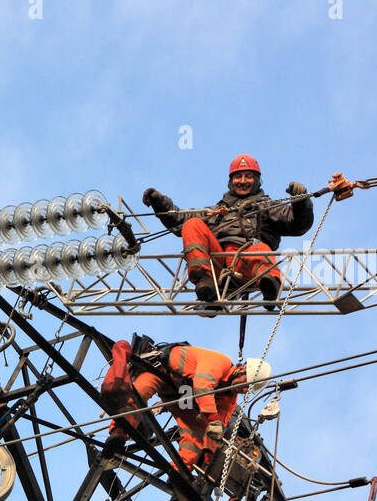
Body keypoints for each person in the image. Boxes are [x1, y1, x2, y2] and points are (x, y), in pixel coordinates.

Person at [142, 155, 312, 313]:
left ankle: (270, 285)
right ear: (231, 181)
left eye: (248, 176)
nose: (243, 181)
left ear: (257, 181)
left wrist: (301, 201)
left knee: (259, 248)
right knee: (192, 224)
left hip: (247, 263)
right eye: (238, 176)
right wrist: (160, 202)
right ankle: (205, 283)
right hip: (218, 265)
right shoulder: (217, 211)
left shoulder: (268, 207)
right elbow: (179, 220)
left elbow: (298, 224)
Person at [99, 336, 270, 471]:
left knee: (196, 431)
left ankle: (179, 472)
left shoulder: (229, 399)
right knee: (138, 397)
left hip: (180, 393)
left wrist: (209, 456)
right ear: (241, 369)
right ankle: (119, 434)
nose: (245, 390)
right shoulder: (221, 362)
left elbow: (216, 431)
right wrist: (213, 418)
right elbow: (203, 385)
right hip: (162, 372)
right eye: (246, 384)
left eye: (249, 389)